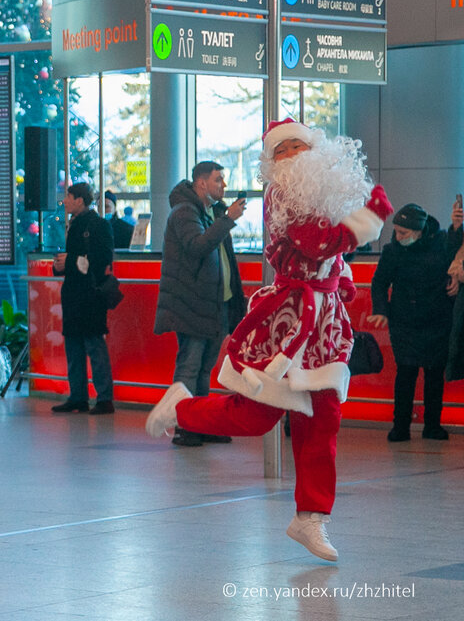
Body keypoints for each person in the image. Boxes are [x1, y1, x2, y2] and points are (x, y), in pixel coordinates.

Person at [147, 119, 393, 562]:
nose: (296, 154)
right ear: (273, 161)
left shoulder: (315, 194)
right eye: (285, 149)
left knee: (323, 418)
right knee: (256, 416)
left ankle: (312, 516)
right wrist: (368, 219)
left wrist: (341, 277)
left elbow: (331, 254)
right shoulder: (283, 193)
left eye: (301, 145)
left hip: (323, 325)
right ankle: (180, 408)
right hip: (289, 321)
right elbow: (319, 242)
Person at [153, 161, 246, 446]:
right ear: (202, 183)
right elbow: (197, 246)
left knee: (205, 367)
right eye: (219, 180)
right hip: (191, 303)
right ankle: (184, 425)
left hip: (213, 304)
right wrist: (228, 219)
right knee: (190, 367)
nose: (223, 186)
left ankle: (200, 423)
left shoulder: (210, 212)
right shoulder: (185, 212)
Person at [367, 202, 463, 442]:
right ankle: (400, 426)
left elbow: (456, 255)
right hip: (404, 321)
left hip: (438, 318)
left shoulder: (440, 243)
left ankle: (433, 426)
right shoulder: (392, 251)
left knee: (434, 374)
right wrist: (381, 310)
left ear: (419, 231)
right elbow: (379, 283)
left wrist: (457, 226)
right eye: (397, 232)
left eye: (404, 233)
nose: (398, 237)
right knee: (406, 373)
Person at [50, 182, 116, 415]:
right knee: (74, 346)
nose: (64, 201)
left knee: (93, 345)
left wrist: (68, 261)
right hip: (74, 295)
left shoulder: (99, 225)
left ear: (80, 200)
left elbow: (101, 260)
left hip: (90, 296)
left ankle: (104, 398)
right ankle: (78, 396)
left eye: (68, 196)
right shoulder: (75, 225)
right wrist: (62, 264)